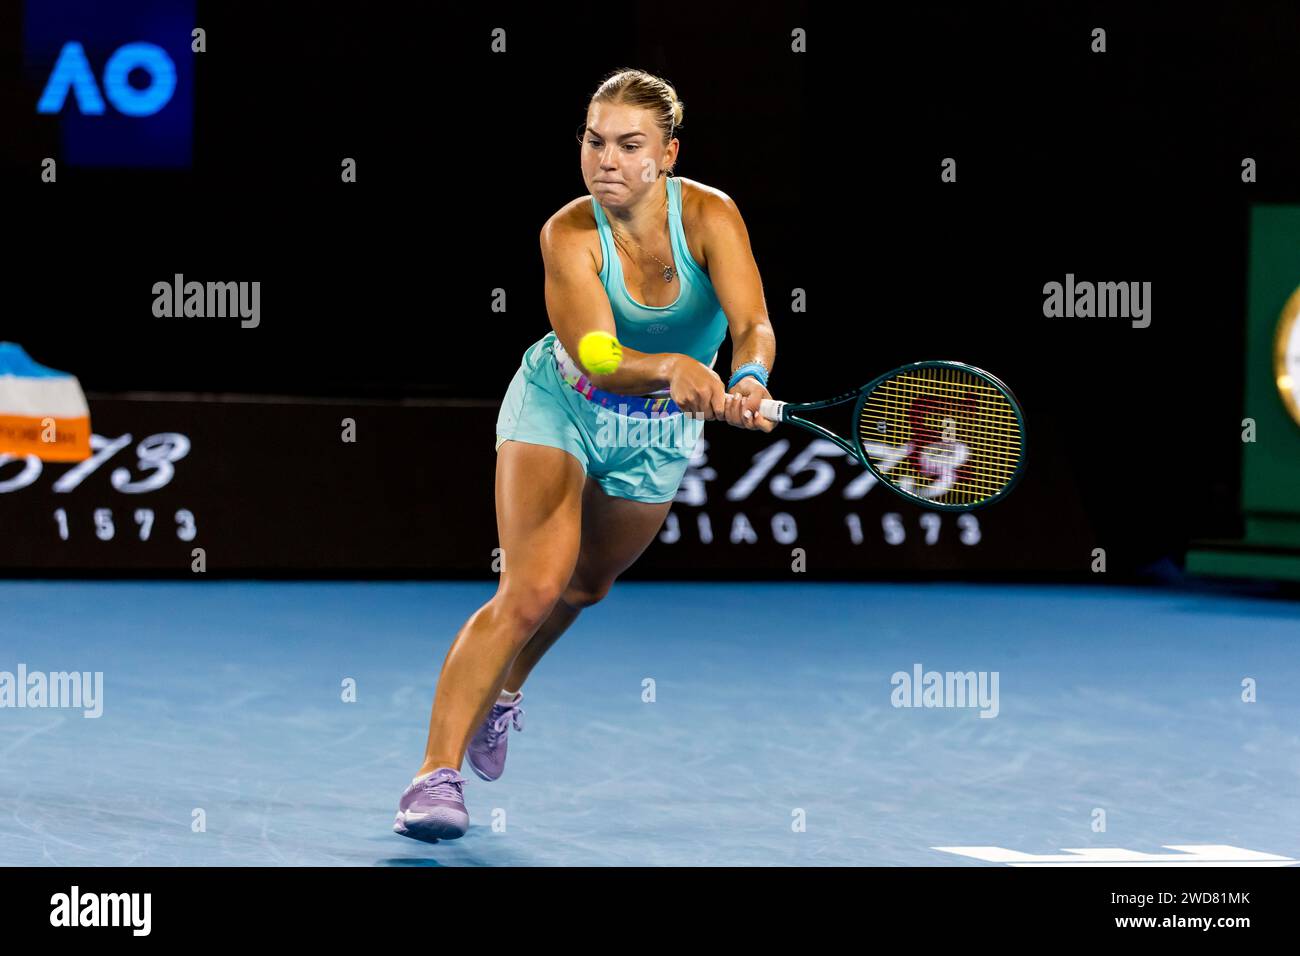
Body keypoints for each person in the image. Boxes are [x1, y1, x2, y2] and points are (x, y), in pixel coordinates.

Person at [394, 68, 777, 842]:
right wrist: (673, 367)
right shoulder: (567, 232)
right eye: (594, 141)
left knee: (587, 586)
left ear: (667, 153)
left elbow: (754, 322)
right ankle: (433, 778)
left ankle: (500, 700)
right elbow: (600, 355)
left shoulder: (710, 216)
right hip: (563, 405)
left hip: (657, 434)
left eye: (630, 144)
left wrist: (746, 377)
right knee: (530, 588)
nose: (607, 159)